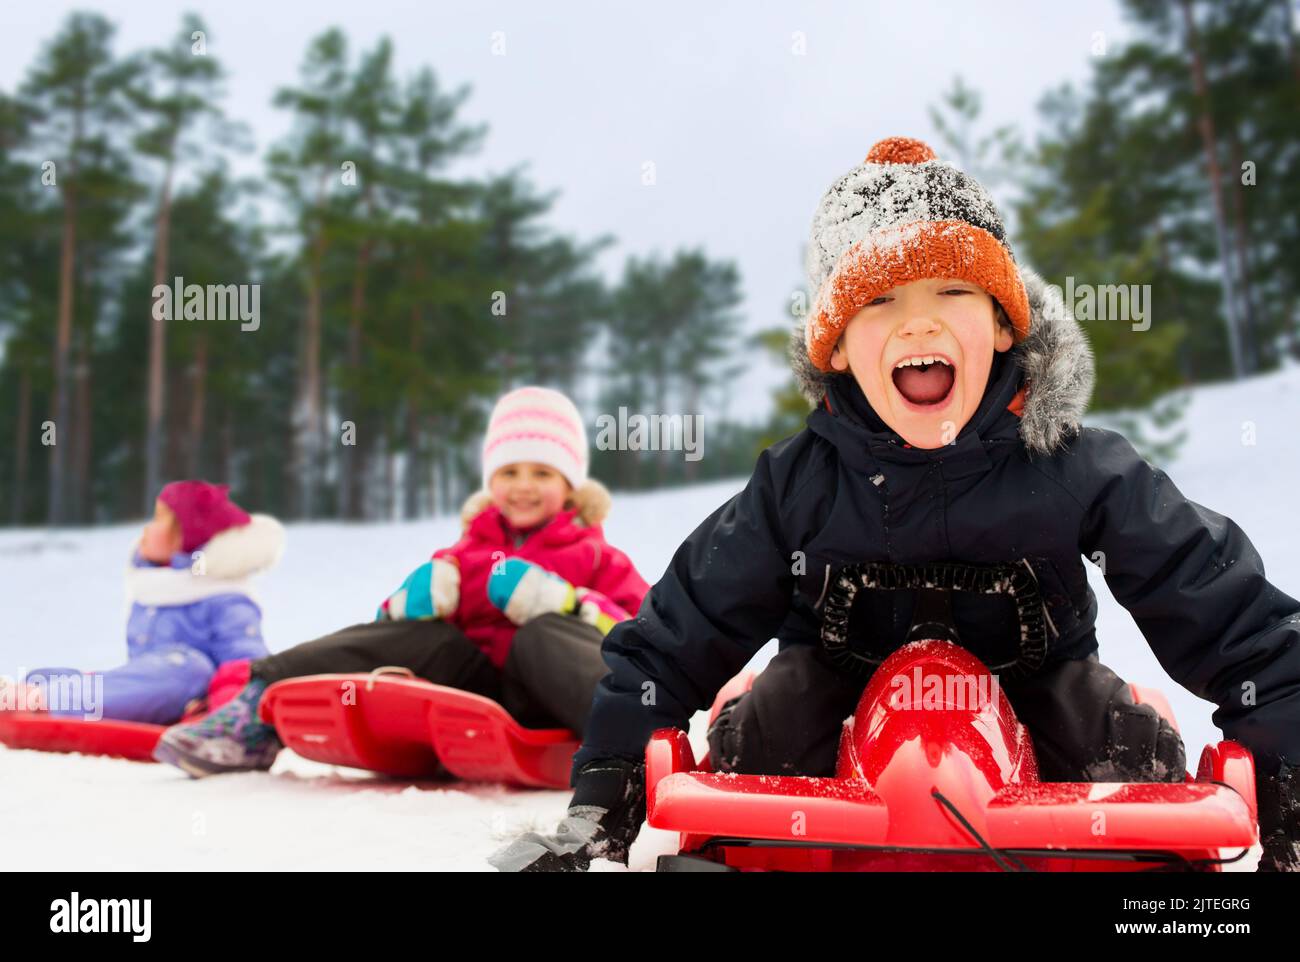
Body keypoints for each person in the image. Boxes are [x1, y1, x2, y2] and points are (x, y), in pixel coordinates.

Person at [489, 137, 1300, 873]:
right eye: (877, 301)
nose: (918, 320)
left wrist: (1289, 769)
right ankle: (749, 848)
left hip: (1034, 696)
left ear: (1005, 326)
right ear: (837, 345)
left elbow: (1233, 619)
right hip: (833, 706)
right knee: (767, 722)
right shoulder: (800, 484)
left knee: (1114, 734)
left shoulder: (1078, 469)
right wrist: (604, 795)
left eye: (952, 290)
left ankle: (1136, 872)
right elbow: (673, 637)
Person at [154, 386, 650, 777]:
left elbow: (639, 636)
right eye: (509, 470)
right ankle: (255, 710)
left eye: (542, 472)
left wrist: (567, 601)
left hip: (555, 701)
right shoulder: (461, 554)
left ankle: (635, 747)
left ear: (569, 485)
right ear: (490, 479)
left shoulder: (599, 557)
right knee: (426, 635)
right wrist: (403, 604)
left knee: (539, 634)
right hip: (476, 696)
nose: (522, 485)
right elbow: (387, 638)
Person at [0, 481, 283, 725]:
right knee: (52, 675)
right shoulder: (157, 590)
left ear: (187, 536)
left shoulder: (226, 598)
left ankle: (42, 701)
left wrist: (227, 717)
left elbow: (246, 667)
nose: (146, 528)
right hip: (148, 697)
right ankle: (37, 692)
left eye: (159, 519)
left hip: (193, 705)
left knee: (189, 667)